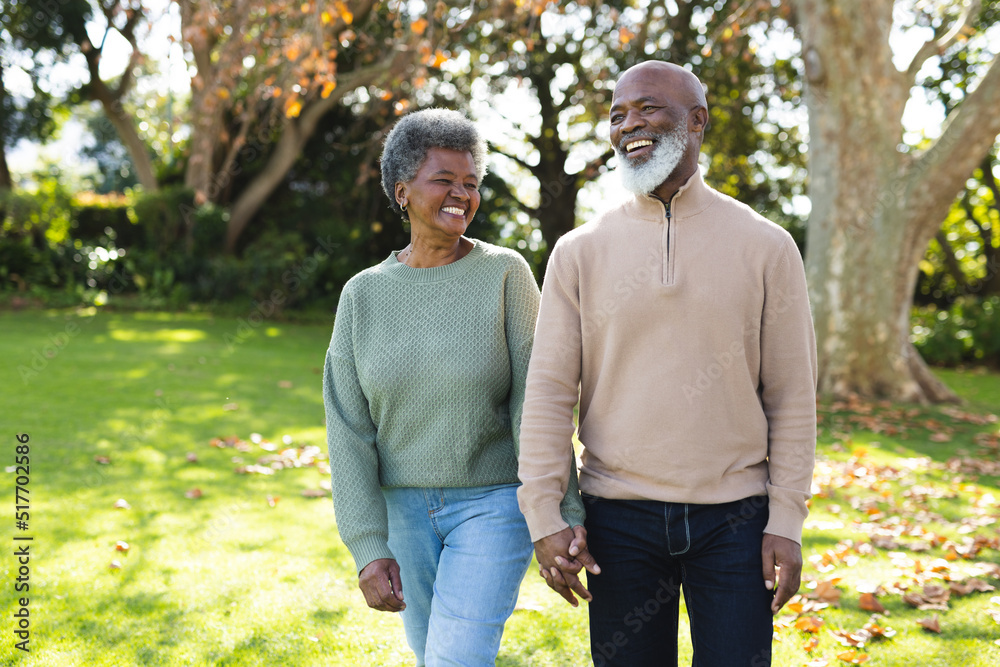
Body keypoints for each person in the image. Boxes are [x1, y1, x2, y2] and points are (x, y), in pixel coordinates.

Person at [516, 61, 817, 666]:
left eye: (649, 107)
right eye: (618, 114)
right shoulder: (579, 252)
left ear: (697, 121)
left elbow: (791, 395)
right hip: (617, 523)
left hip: (737, 523)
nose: (631, 124)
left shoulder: (766, 246)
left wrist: (786, 518)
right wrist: (544, 514)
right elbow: (549, 392)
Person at [323, 108, 585, 666]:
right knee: (431, 656)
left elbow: (536, 403)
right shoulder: (362, 295)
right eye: (443, 180)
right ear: (402, 191)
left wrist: (562, 511)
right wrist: (368, 548)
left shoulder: (505, 274)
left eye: (471, 183)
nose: (461, 194)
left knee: (456, 658)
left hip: (493, 503)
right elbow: (348, 429)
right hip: (402, 516)